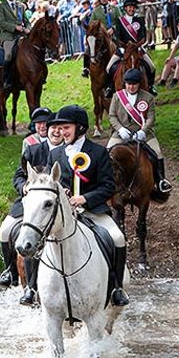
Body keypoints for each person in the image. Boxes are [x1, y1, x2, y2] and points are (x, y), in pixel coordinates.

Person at [48, 104, 129, 306]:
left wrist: (85, 198)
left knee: (117, 238)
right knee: (38, 238)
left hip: (93, 212)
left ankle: (117, 288)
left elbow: (108, 186)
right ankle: (32, 288)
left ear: (80, 128)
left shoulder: (98, 152)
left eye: (66, 127)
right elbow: (51, 183)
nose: (61, 132)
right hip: (63, 215)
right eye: (60, 128)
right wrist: (62, 193)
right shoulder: (55, 154)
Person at [0, 106, 54, 306]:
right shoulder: (31, 147)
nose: (42, 126)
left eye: (46, 123)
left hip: (53, 203)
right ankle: (10, 272)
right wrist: (24, 188)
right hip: (31, 201)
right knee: (5, 230)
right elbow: (19, 175)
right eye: (39, 123)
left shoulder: (64, 147)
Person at [108, 68, 172, 194]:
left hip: (143, 133)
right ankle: (106, 182)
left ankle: (161, 181)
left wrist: (143, 131)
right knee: (108, 152)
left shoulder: (148, 97)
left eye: (134, 84)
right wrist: (120, 129)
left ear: (139, 84)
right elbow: (112, 116)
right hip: (121, 132)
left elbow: (151, 117)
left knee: (157, 152)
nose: (131, 87)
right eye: (128, 84)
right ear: (125, 83)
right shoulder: (117, 97)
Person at [107, 0, 157, 93]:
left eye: (133, 7)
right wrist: (125, 45)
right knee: (109, 67)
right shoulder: (120, 20)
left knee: (151, 66)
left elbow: (143, 37)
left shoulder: (139, 19)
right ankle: (110, 87)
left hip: (137, 48)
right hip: (123, 48)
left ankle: (151, 86)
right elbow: (117, 37)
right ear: (125, 8)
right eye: (129, 7)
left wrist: (136, 45)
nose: (131, 9)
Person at [0, 0, 29, 90]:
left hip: (21, 35)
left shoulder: (20, 6)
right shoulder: (1, 7)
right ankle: (6, 79)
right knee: (8, 54)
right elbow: (1, 22)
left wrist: (28, 28)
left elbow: (26, 20)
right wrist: (14, 27)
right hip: (8, 36)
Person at [83, 0, 118, 79]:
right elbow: (91, 25)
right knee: (88, 49)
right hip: (101, 37)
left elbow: (121, 21)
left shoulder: (115, 9)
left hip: (114, 36)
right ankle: (86, 68)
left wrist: (114, 28)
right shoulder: (95, 11)